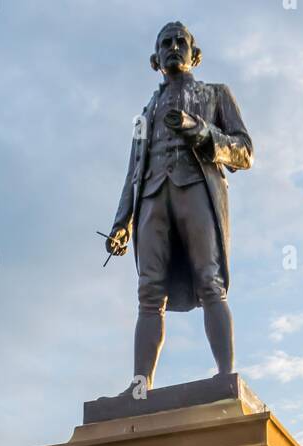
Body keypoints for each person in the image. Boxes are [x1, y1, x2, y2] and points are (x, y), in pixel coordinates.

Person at [106, 21, 253, 390]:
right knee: (148, 293)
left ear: (194, 54)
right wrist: (121, 221)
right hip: (153, 199)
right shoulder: (144, 115)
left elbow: (244, 152)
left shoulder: (216, 95)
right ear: (155, 59)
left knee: (210, 281)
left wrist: (201, 131)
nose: (173, 48)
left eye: (180, 42)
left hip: (196, 191)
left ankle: (225, 377)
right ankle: (140, 385)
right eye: (165, 44)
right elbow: (132, 172)